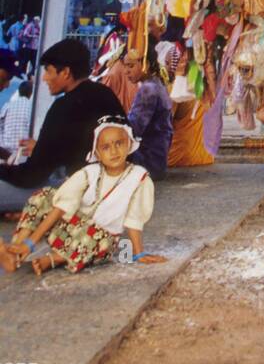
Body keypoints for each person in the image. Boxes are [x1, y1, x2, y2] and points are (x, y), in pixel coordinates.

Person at [0, 116, 166, 276]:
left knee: (105, 242)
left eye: (119, 143)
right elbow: (61, 207)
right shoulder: (89, 172)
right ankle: (16, 250)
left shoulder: (139, 177)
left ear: (129, 144)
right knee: (45, 195)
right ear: (97, 153)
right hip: (68, 229)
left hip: (96, 239)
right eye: (106, 147)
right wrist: (30, 243)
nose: (114, 151)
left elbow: (133, 218)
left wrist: (138, 253)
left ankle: (52, 260)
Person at [0, 38, 123, 214]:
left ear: (65, 72)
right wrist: (42, 148)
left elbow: (30, 177)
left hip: (82, 194)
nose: (44, 78)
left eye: (48, 71)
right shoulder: (105, 94)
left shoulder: (63, 107)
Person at [127, 44, 174, 180]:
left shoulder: (148, 89)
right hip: (158, 158)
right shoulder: (156, 83)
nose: (126, 71)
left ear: (145, 64)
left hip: (147, 161)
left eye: (130, 66)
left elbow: (134, 128)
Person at [0, 78, 33, 163]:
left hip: (4, 153)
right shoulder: (31, 108)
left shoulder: (7, 106)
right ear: (30, 94)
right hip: (21, 154)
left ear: (19, 91)